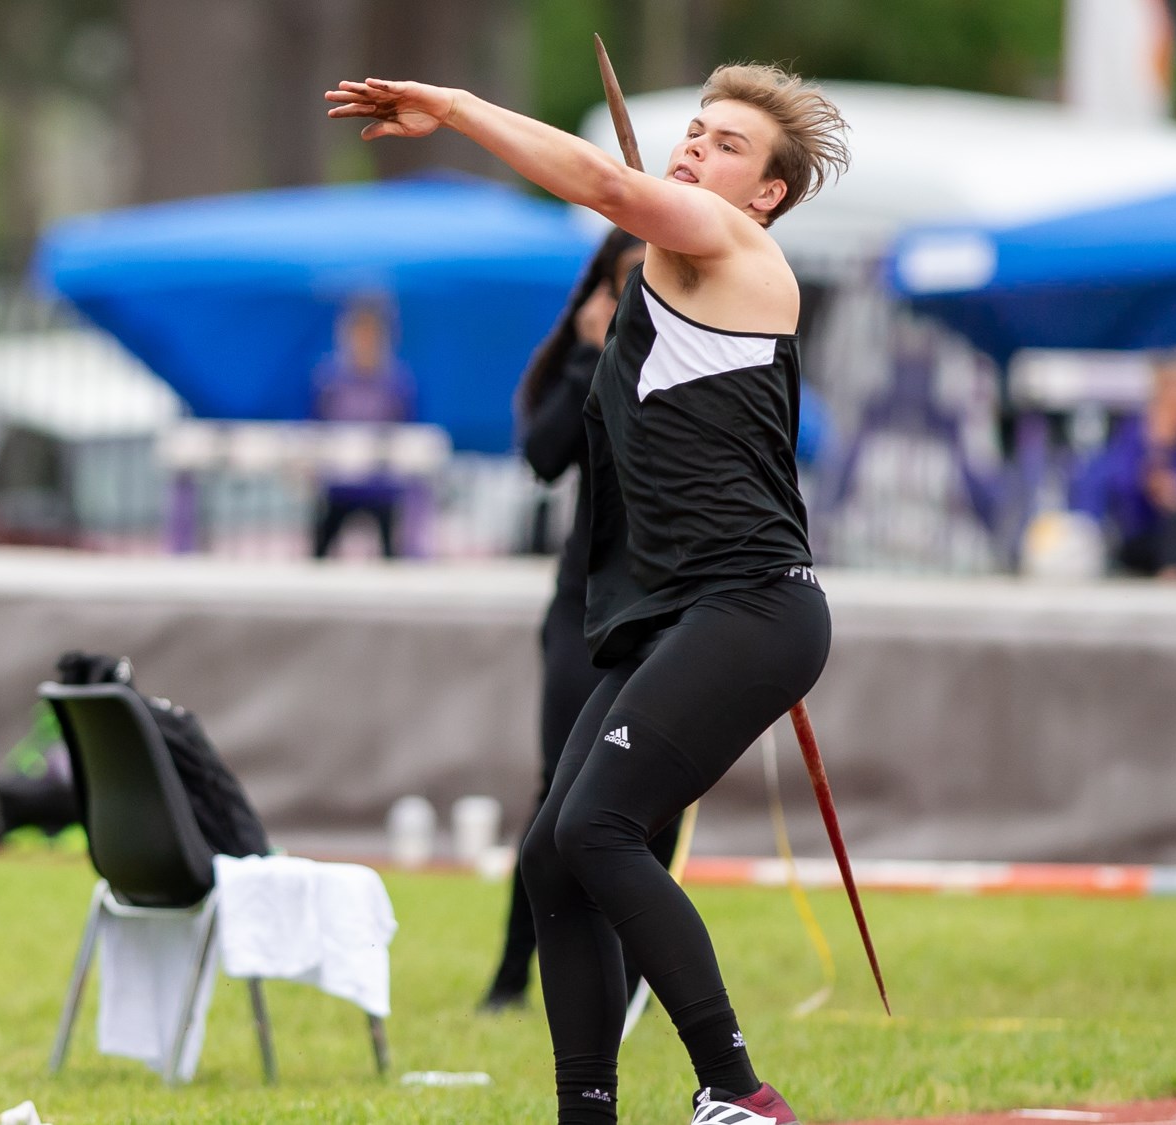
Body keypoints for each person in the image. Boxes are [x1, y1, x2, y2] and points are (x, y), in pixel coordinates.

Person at [328, 62, 846, 1125]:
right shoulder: (665, 282)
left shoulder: (737, 250)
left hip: (751, 606)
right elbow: (559, 438)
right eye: (692, 131)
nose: (696, 147)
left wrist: (458, 105)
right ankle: (586, 1114)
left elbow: (605, 192)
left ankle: (736, 1088)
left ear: (765, 197)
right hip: (679, 616)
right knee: (550, 858)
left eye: (727, 144)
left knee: (600, 828)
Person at [481, 228, 680, 1013]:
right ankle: (510, 973)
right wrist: (589, 352)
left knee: (654, 797)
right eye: (627, 283)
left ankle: (634, 979)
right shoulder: (590, 357)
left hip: (669, 603)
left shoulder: (688, 357)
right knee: (557, 792)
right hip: (586, 604)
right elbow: (543, 453)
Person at [1072, 352, 1176, 580]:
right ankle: (1171, 572)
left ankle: (1173, 573)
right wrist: (1157, 451)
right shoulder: (1134, 434)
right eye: (1170, 388)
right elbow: (1119, 496)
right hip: (1145, 537)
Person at [310, 301, 415, 558]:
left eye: (371, 334)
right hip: (338, 485)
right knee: (319, 555)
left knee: (392, 559)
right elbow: (314, 426)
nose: (364, 342)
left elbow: (409, 432)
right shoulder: (328, 380)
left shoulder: (398, 383)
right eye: (359, 333)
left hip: (381, 487)